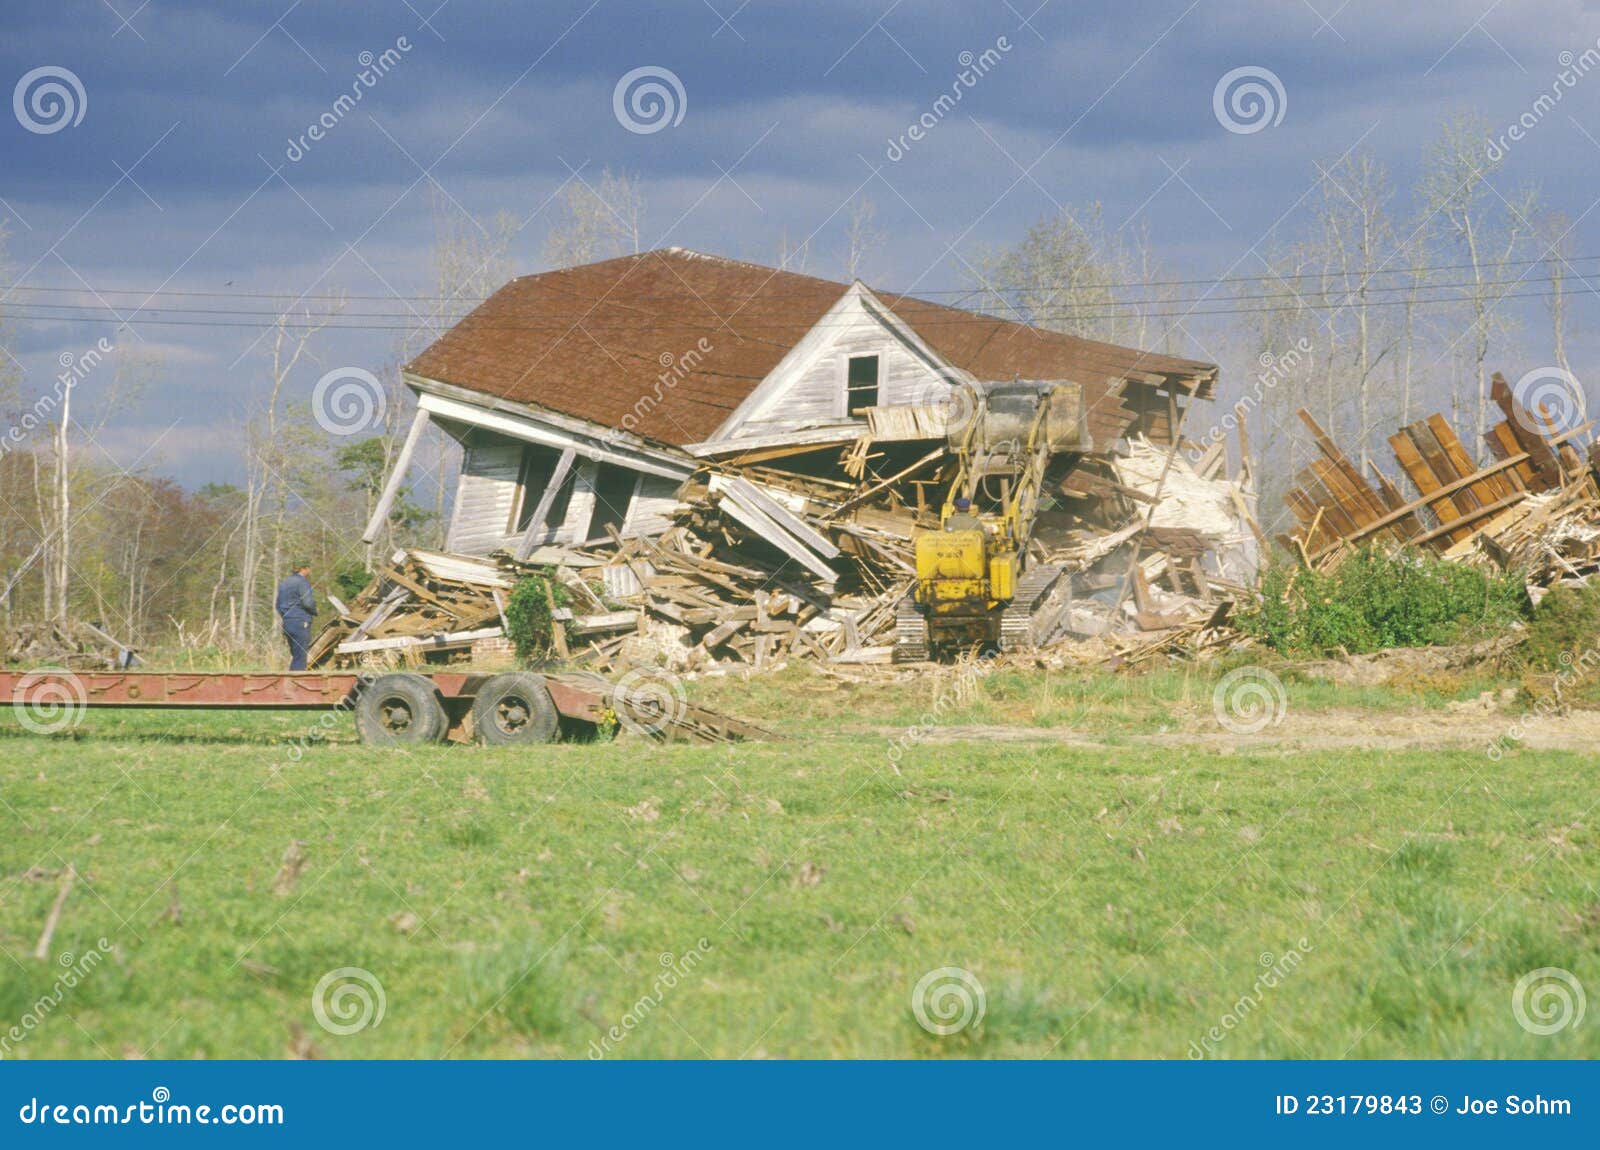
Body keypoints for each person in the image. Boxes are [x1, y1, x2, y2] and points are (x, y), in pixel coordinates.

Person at [275, 561, 317, 671]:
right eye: (308, 568)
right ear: (303, 569)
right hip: (301, 621)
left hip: (287, 622)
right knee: (301, 655)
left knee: (295, 654)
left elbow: (278, 605)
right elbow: (307, 603)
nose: (309, 571)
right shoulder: (303, 582)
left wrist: (286, 616)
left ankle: (292, 676)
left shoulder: (284, 583)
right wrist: (314, 611)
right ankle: (297, 679)